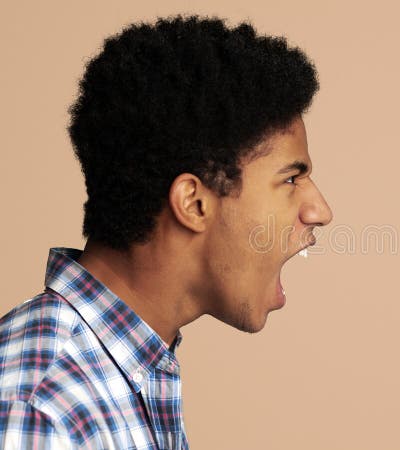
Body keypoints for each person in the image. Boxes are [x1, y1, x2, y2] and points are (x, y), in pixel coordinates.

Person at [0, 14, 333, 449]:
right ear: (193, 204)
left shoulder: (130, 374)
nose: (320, 211)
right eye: (291, 178)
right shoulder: (42, 411)